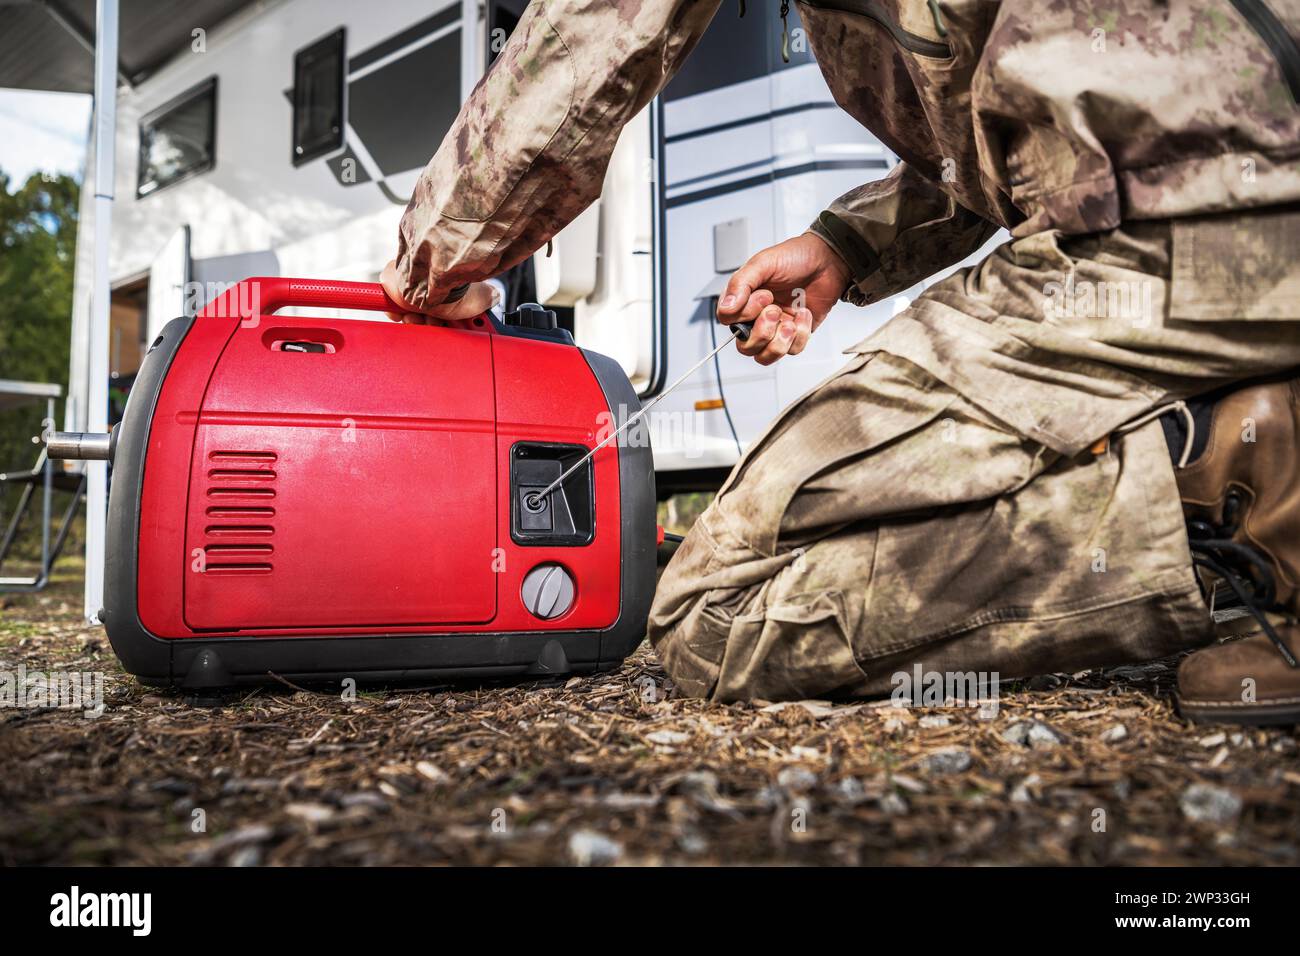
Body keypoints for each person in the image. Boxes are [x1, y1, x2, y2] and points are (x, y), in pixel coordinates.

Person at [380, 1, 1300, 724]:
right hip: (1233, 222)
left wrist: (436, 265)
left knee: (712, 614)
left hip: (1177, 240)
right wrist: (844, 246)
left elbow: (587, 40)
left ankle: (1237, 501)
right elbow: (1040, 116)